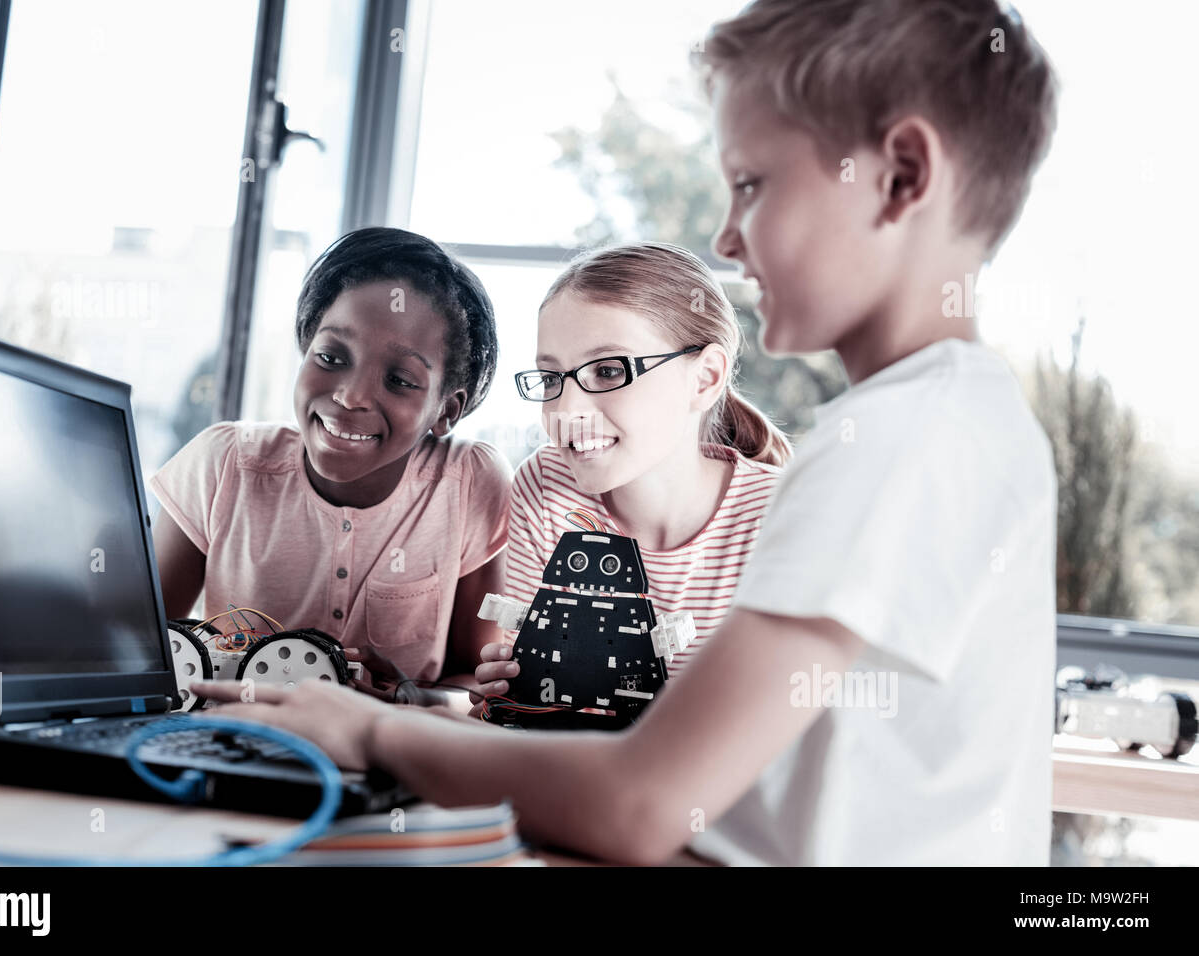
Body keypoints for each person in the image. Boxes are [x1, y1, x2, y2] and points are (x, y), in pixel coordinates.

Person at [194, 0, 1059, 865]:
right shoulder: (960, 417)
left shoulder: (902, 438)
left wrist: (372, 732)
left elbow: (642, 805)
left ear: (902, 175)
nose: (726, 235)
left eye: (752, 184)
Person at [152, 227, 510, 701]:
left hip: (384, 760)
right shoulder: (225, 465)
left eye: (400, 380)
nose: (351, 395)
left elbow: (478, 687)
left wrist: (406, 697)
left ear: (447, 410)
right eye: (331, 356)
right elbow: (139, 653)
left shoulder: (469, 484)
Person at [469, 242, 791, 712]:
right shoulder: (546, 483)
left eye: (607, 370)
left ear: (704, 379)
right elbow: (529, 701)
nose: (566, 411)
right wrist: (509, 691)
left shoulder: (783, 516)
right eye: (551, 378)